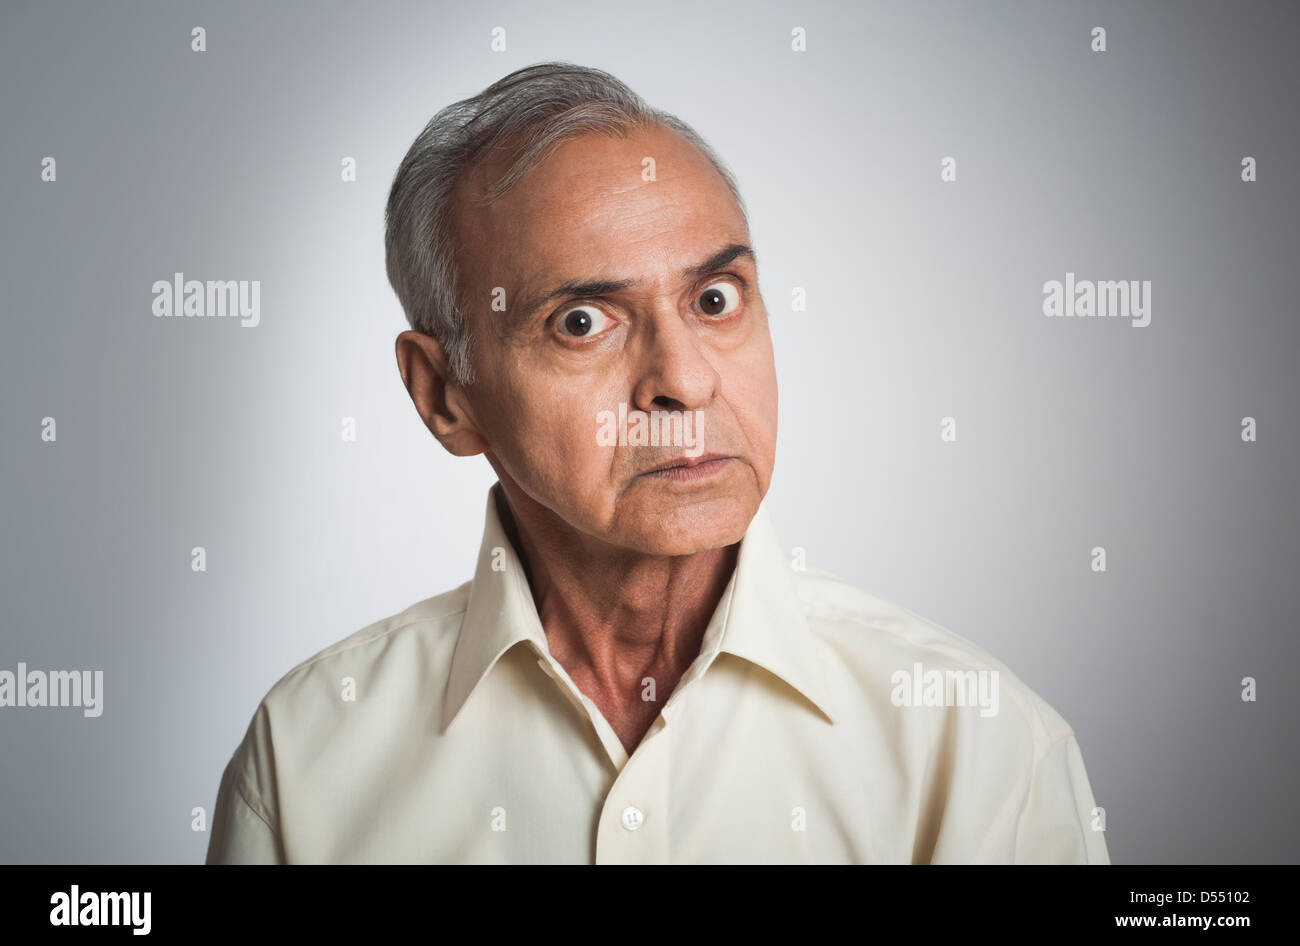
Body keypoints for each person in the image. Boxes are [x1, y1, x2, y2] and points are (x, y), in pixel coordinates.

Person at [206, 62, 1110, 864]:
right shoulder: (305, 759)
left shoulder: (979, 747)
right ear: (446, 394)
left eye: (715, 298)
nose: (684, 381)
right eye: (582, 321)